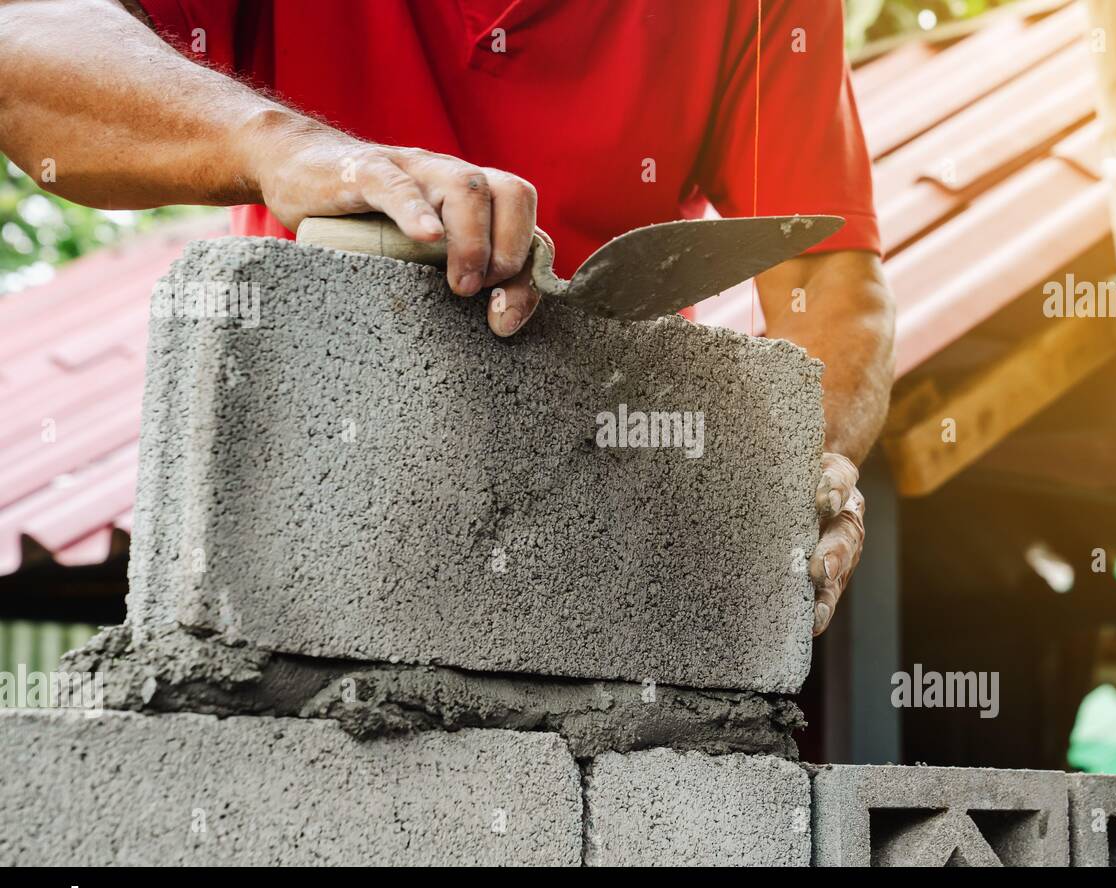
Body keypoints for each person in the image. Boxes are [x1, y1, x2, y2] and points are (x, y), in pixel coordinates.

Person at [0, 0, 895, 636]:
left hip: (610, 546)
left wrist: (809, 470)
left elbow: (835, 291)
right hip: (312, 513)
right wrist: (283, 147)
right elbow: (22, 48)